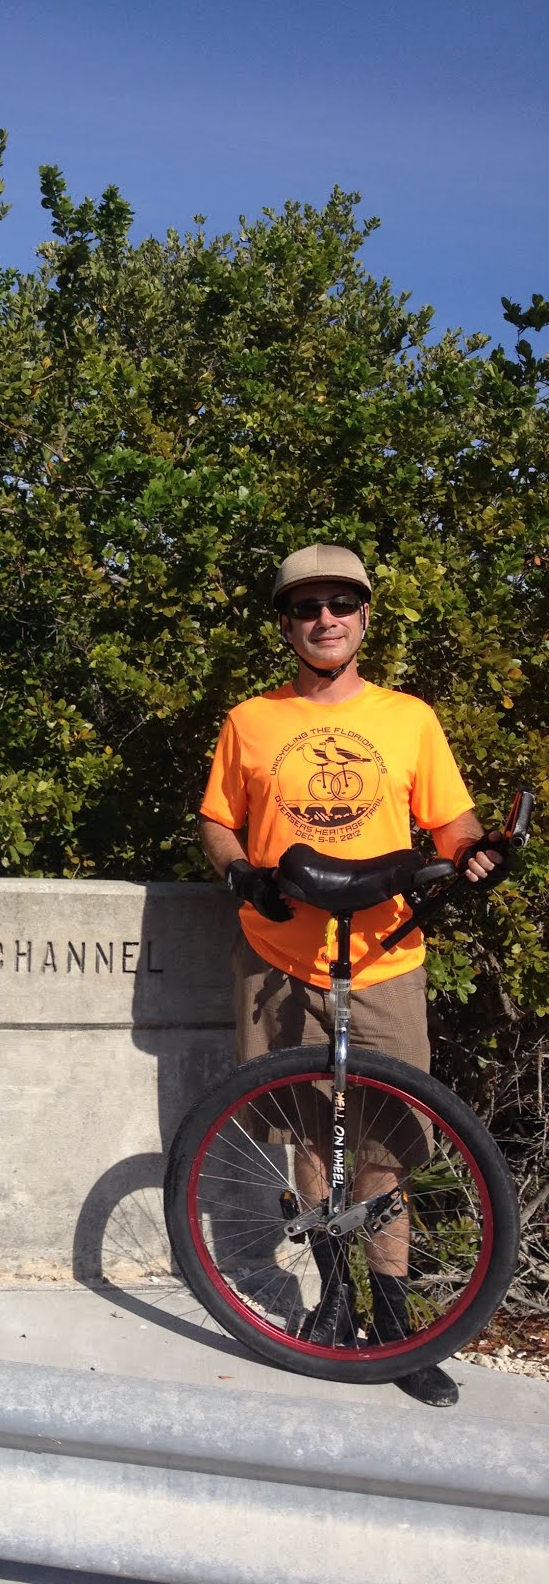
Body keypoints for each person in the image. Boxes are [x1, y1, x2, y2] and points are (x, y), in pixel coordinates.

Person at [197, 543, 505, 1406]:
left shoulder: (410, 718)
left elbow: (451, 821)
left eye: (340, 603)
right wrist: (237, 871)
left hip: (384, 954)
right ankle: (333, 1298)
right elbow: (217, 820)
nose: (324, 619)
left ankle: (398, 1322)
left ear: (365, 617)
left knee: (386, 1143)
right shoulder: (249, 720)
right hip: (278, 952)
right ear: (287, 625)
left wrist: (471, 855)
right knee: (303, 1133)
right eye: (306, 607)